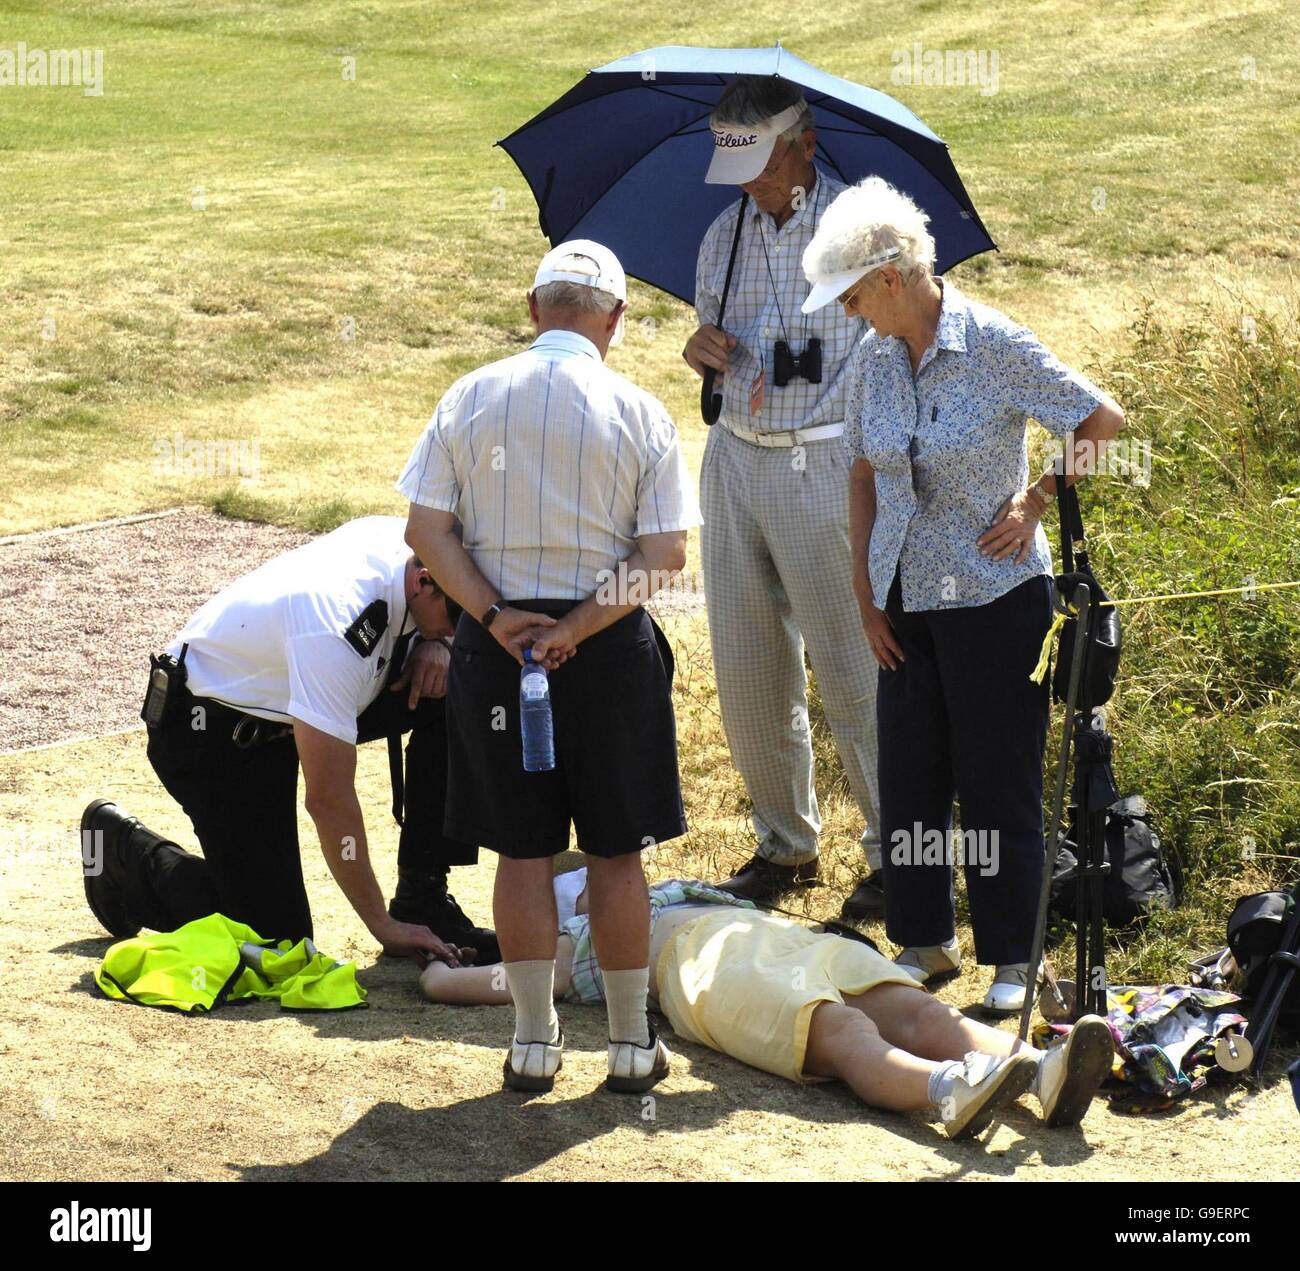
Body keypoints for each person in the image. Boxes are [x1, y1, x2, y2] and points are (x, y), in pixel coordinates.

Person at [800, 176, 1125, 1013]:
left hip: (996, 595)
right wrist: (869, 599)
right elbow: (865, 474)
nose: (847, 312)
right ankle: (926, 942)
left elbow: (1101, 420)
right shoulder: (874, 360)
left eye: (852, 295)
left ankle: (1014, 959)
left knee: (997, 779)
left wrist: (1037, 498)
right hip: (906, 601)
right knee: (910, 773)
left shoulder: (991, 342)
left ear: (893, 278)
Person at [400, 239, 701, 1094]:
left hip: (498, 653)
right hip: (606, 654)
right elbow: (664, 552)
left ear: (534, 309)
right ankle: (631, 1044)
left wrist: (496, 619)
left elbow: (427, 532)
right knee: (615, 854)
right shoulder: (641, 411)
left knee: (521, 854)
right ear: (615, 318)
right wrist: (577, 625)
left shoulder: (468, 396)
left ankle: (534, 1042)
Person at [421, 865, 1116, 1139]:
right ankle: (945, 1090)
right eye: (576, 877)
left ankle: (1042, 1070)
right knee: (836, 1028)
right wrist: (435, 973)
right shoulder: (582, 938)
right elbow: (509, 981)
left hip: (776, 933)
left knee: (920, 1009)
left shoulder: (664, 883)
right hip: (697, 966)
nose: (593, 879)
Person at [80, 515, 495, 965]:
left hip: (285, 706)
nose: (461, 628)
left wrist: (439, 645)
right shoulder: (336, 628)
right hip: (213, 732)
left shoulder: (416, 543)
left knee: (461, 686)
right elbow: (329, 799)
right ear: (424, 580)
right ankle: (123, 853)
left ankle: (423, 893)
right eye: (457, 616)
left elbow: (447, 626)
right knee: (279, 942)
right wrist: (382, 926)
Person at [682, 76, 886, 921]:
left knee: (855, 670)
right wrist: (703, 349)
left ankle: (899, 856)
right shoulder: (722, 234)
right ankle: (784, 847)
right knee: (749, 671)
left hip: (825, 463)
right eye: (737, 165)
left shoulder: (859, 232)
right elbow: (722, 341)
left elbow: (876, 355)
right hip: (734, 460)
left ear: (804, 145)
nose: (748, 182)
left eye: (760, 163)